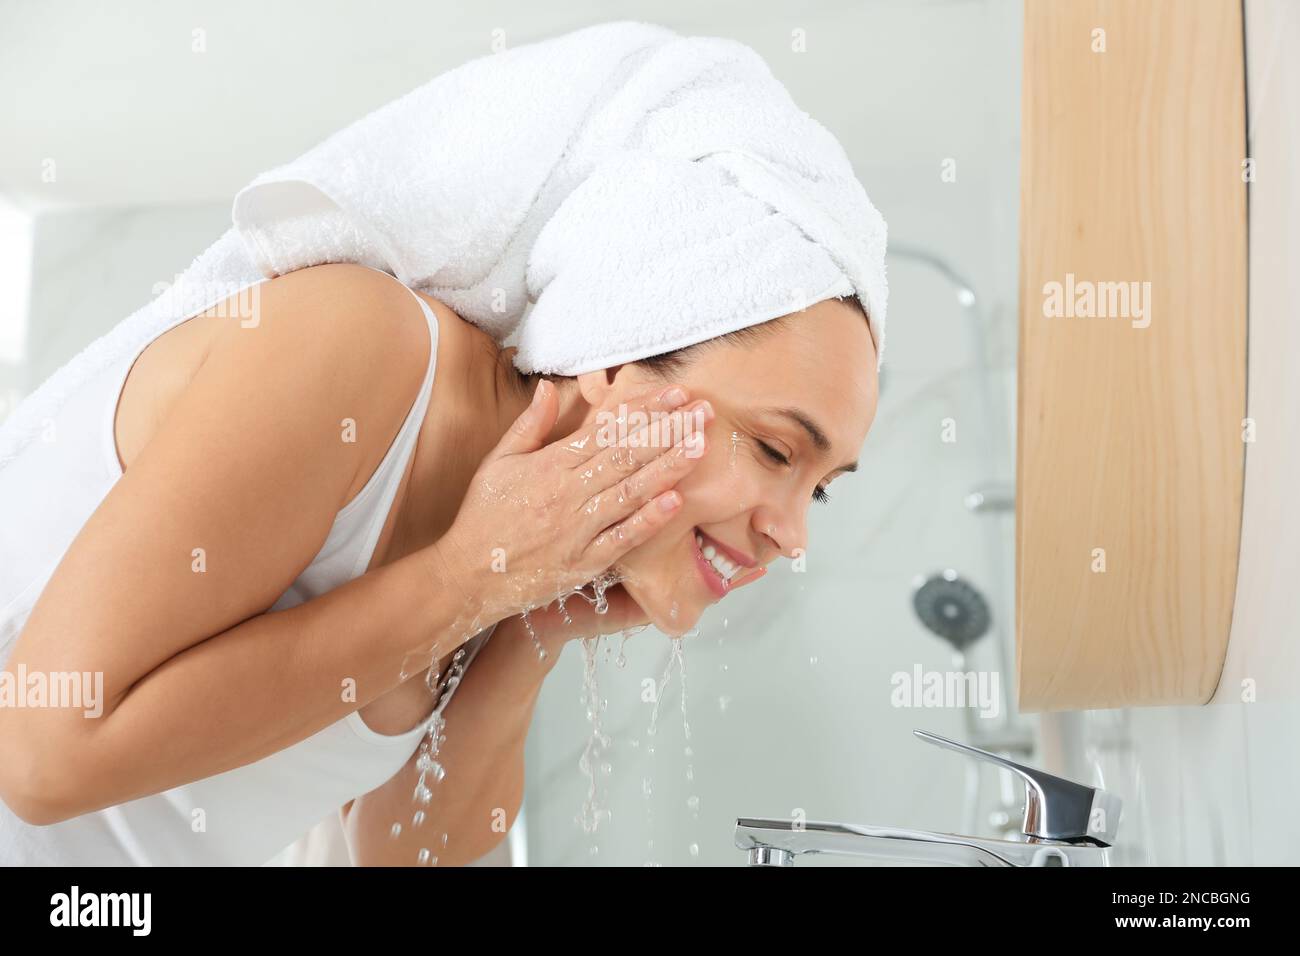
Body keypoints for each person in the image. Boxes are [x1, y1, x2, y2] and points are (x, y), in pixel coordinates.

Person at [0, 255, 877, 865]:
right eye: (772, 451)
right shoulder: (356, 344)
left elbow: (401, 853)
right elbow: (40, 759)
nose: (793, 535)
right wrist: (469, 578)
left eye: (824, 487)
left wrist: (533, 623)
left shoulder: (528, 527)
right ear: (618, 364)